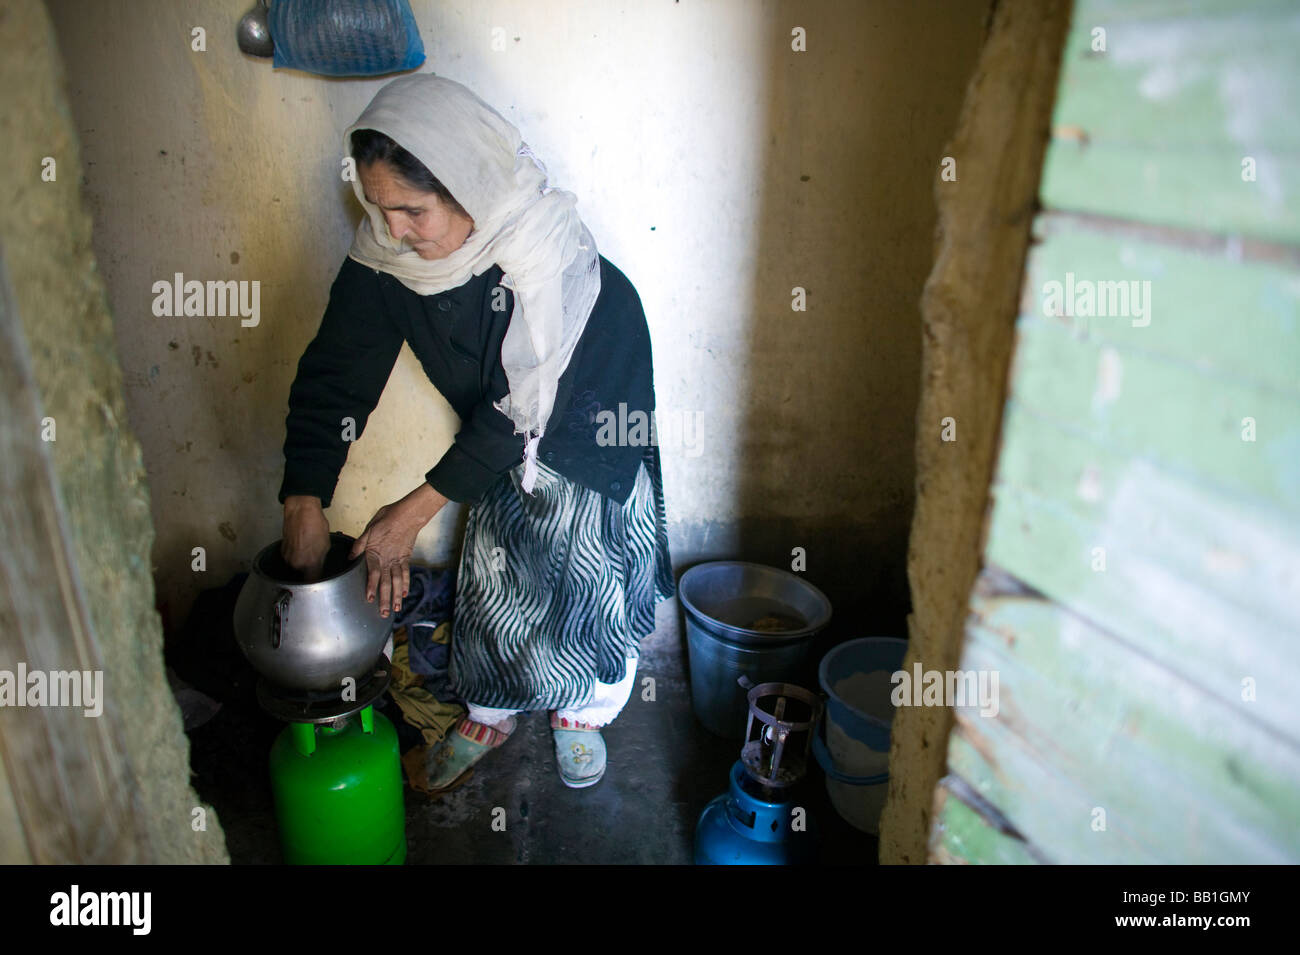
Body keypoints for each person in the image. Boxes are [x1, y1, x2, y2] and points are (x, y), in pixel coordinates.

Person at [277, 74, 674, 791]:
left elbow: (516, 408)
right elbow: (336, 374)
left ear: (470, 188)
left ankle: (584, 706)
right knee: (498, 557)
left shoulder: (543, 261)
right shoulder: (387, 256)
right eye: (377, 204)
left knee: (584, 555)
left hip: (592, 395)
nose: (391, 228)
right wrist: (303, 499)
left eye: (412, 211)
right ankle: (495, 704)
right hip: (505, 419)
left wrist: (410, 513)